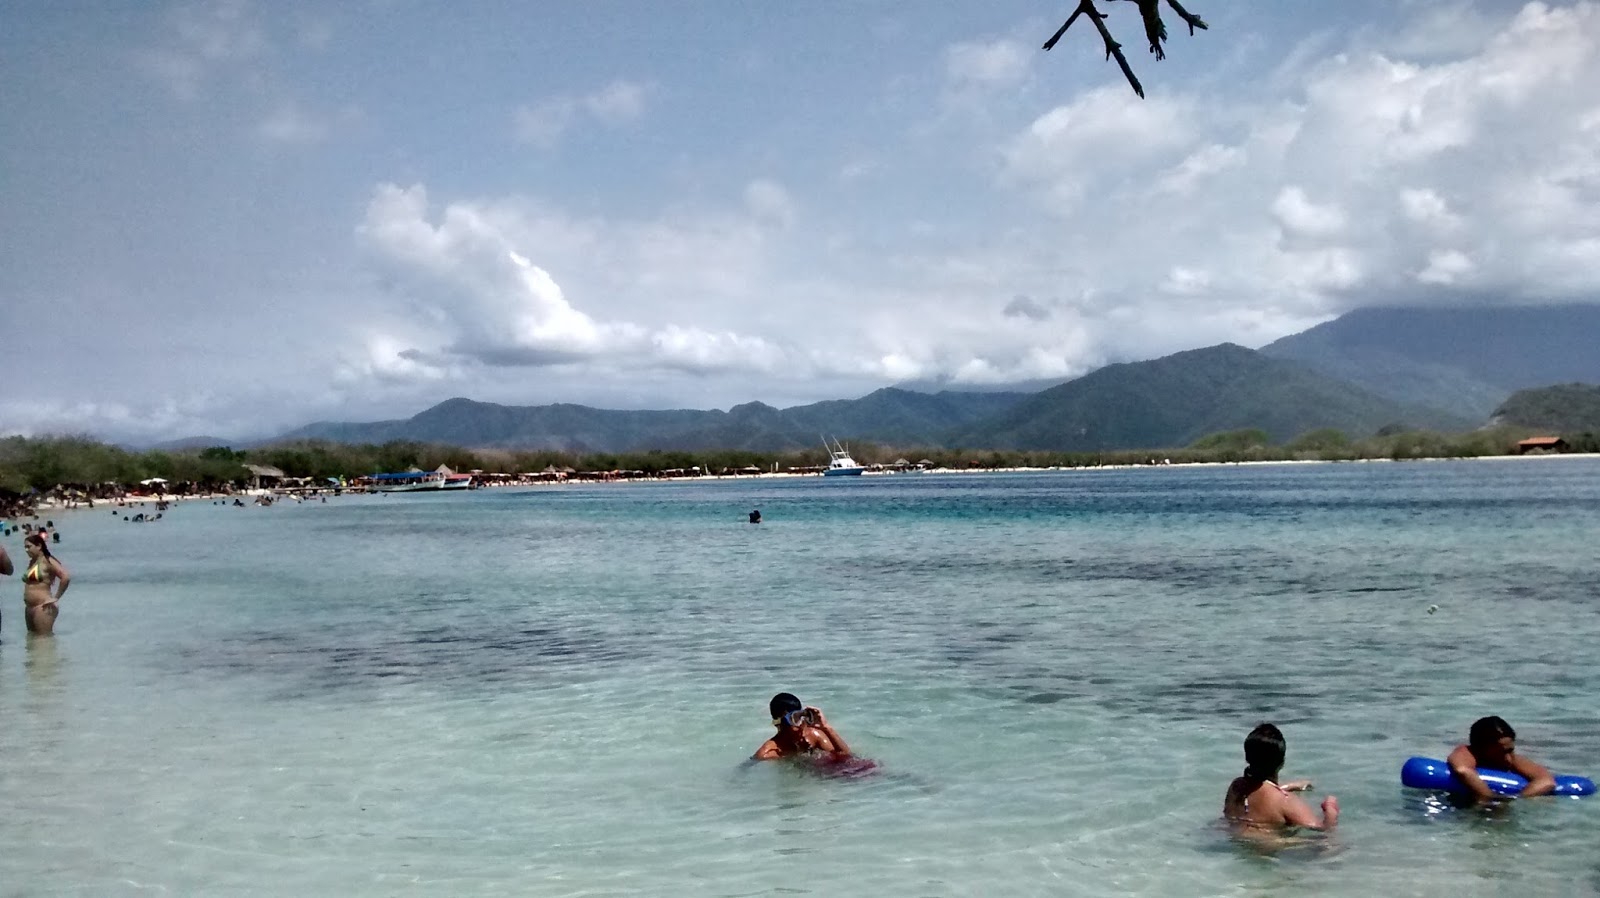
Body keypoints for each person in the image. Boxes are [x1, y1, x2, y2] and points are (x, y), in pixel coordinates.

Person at [1223, 723, 1338, 831]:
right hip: (1271, 849)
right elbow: (1323, 829)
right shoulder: (1285, 801)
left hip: (1236, 837)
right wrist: (1330, 807)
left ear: (1247, 758)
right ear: (1282, 762)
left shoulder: (1235, 787)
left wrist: (1290, 786)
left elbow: (1261, 791)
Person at [1447, 716, 1555, 800]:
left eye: (1510, 750)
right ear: (1480, 749)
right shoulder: (1467, 752)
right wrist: (1491, 799)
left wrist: (1517, 798)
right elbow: (1463, 770)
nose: (1508, 758)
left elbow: (1546, 781)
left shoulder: (1513, 759)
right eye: (1499, 753)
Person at [752, 692, 851, 761]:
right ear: (778, 723)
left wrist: (826, 727)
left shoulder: (814, 736)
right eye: (794, 719)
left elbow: (845, 757)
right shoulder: (768, 753)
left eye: (801, 717)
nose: (801, 727)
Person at [22, 532, 70, 635]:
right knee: (31, 641)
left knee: (44, 641)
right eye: (25, 547)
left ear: (39, 546)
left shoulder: (48, 561)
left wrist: (56, 597)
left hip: (43, 607)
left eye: (29, 547)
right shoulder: (32, 562)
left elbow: (65, 577)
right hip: (29, 607)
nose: (26, 550)